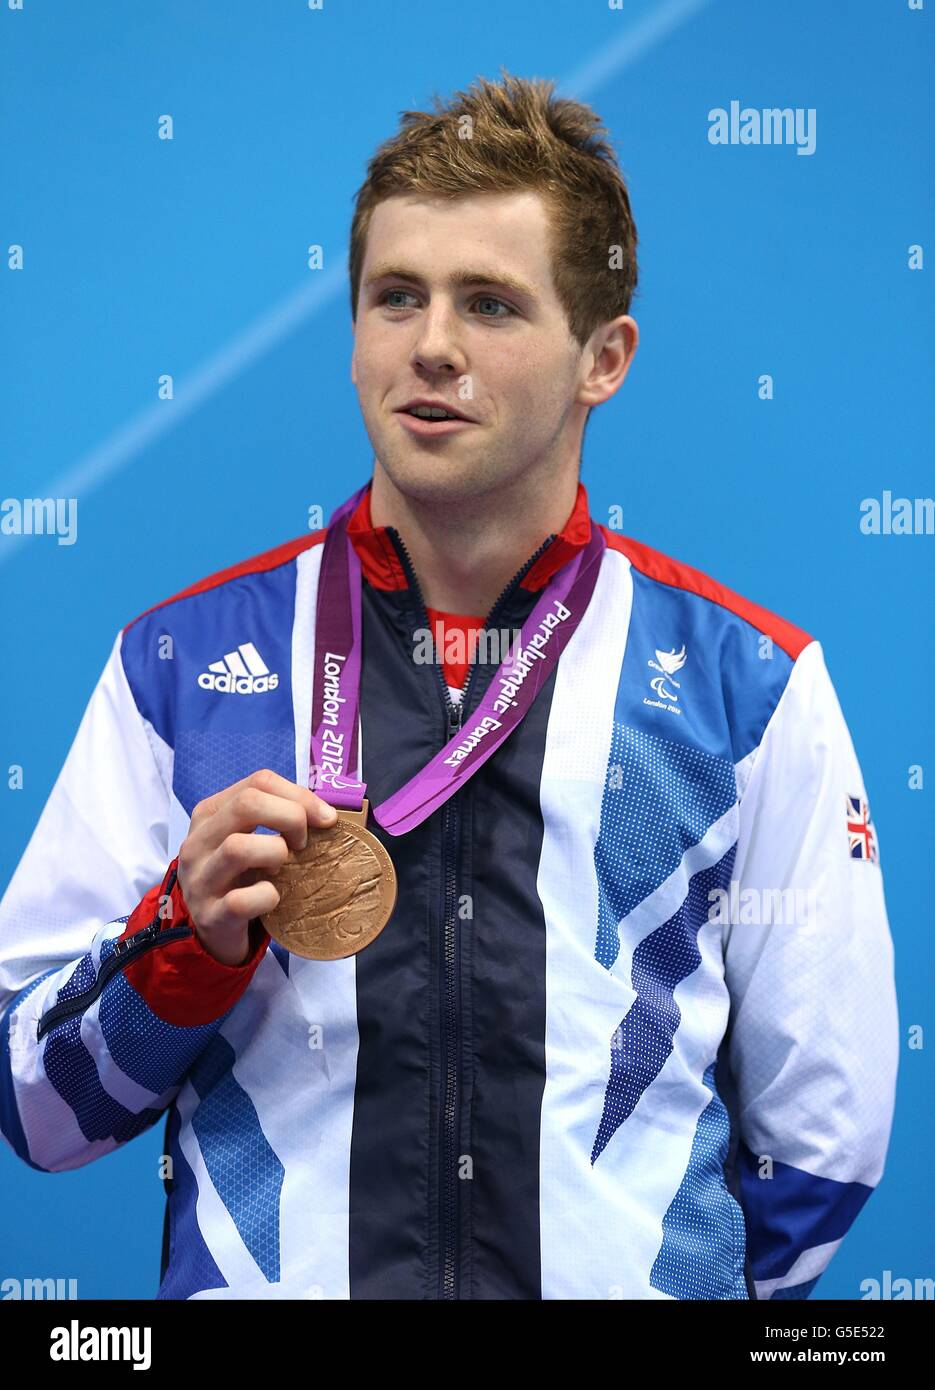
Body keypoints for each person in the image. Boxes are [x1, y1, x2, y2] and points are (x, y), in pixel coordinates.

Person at [0, 70, 898, 1301]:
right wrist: (183, 943)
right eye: (394, 297)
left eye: (489, 303)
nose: (430, 344)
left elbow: (822, 1153)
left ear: (604, 357)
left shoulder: (750, 688)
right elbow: (35, 1111)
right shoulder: (181, 664)